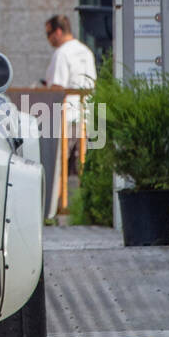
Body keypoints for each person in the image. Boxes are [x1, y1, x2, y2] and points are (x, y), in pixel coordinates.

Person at [44, 14, 97, 218]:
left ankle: (56, 210)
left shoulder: (62, 53)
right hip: (88, 114)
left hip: (66, 116)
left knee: (59, 166)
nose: (48, 39)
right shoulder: (86, 51)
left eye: (49, 34)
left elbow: (57, 87)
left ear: (58, 31)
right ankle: (86, 209)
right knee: (83, 167)